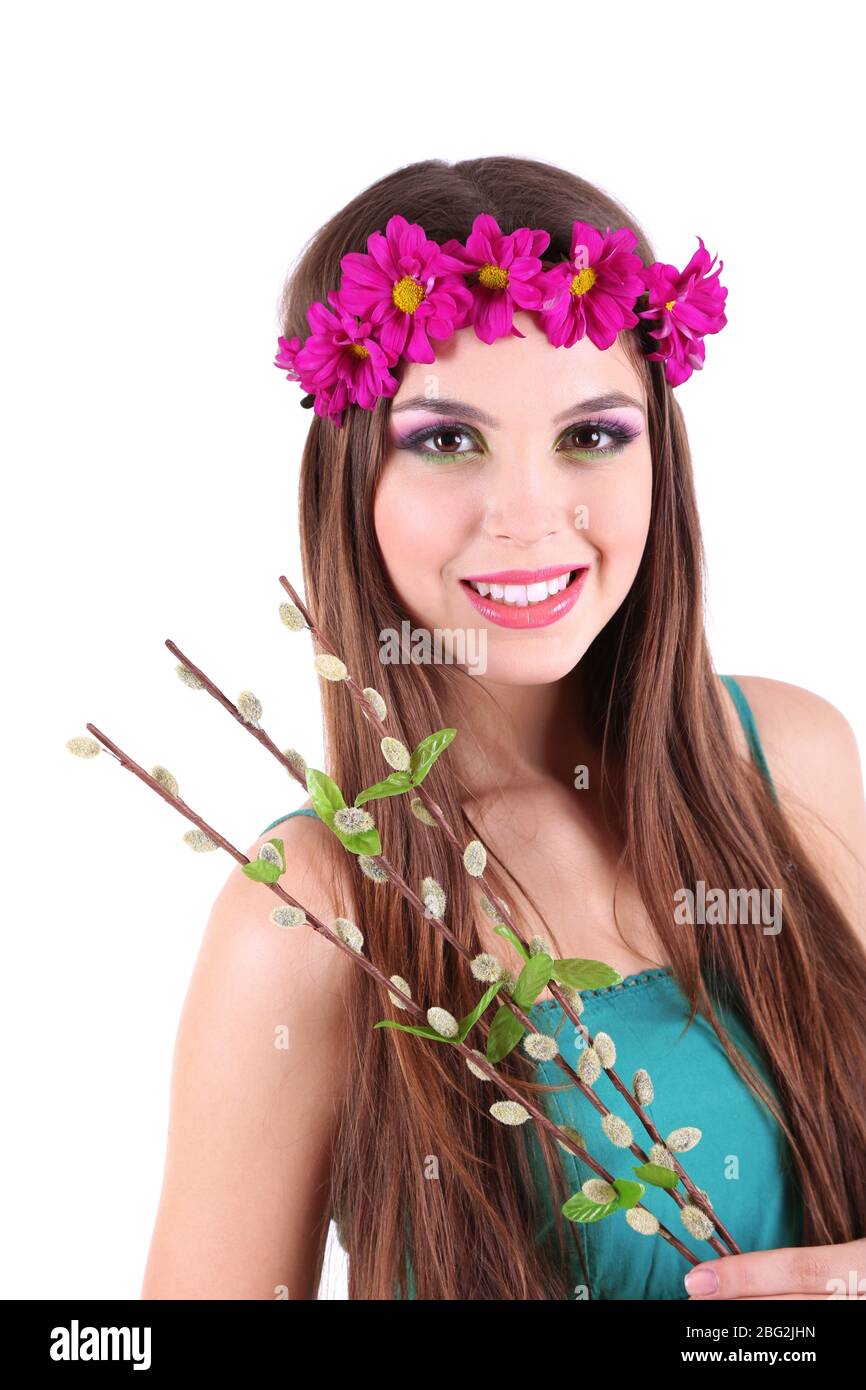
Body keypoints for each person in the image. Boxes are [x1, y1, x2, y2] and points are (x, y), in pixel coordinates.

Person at [141, 156, 866, 1301]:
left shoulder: (796, 760)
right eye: (446, 440)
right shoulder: (309, 912)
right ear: (351, 477)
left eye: (591, 434)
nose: (530, 514)